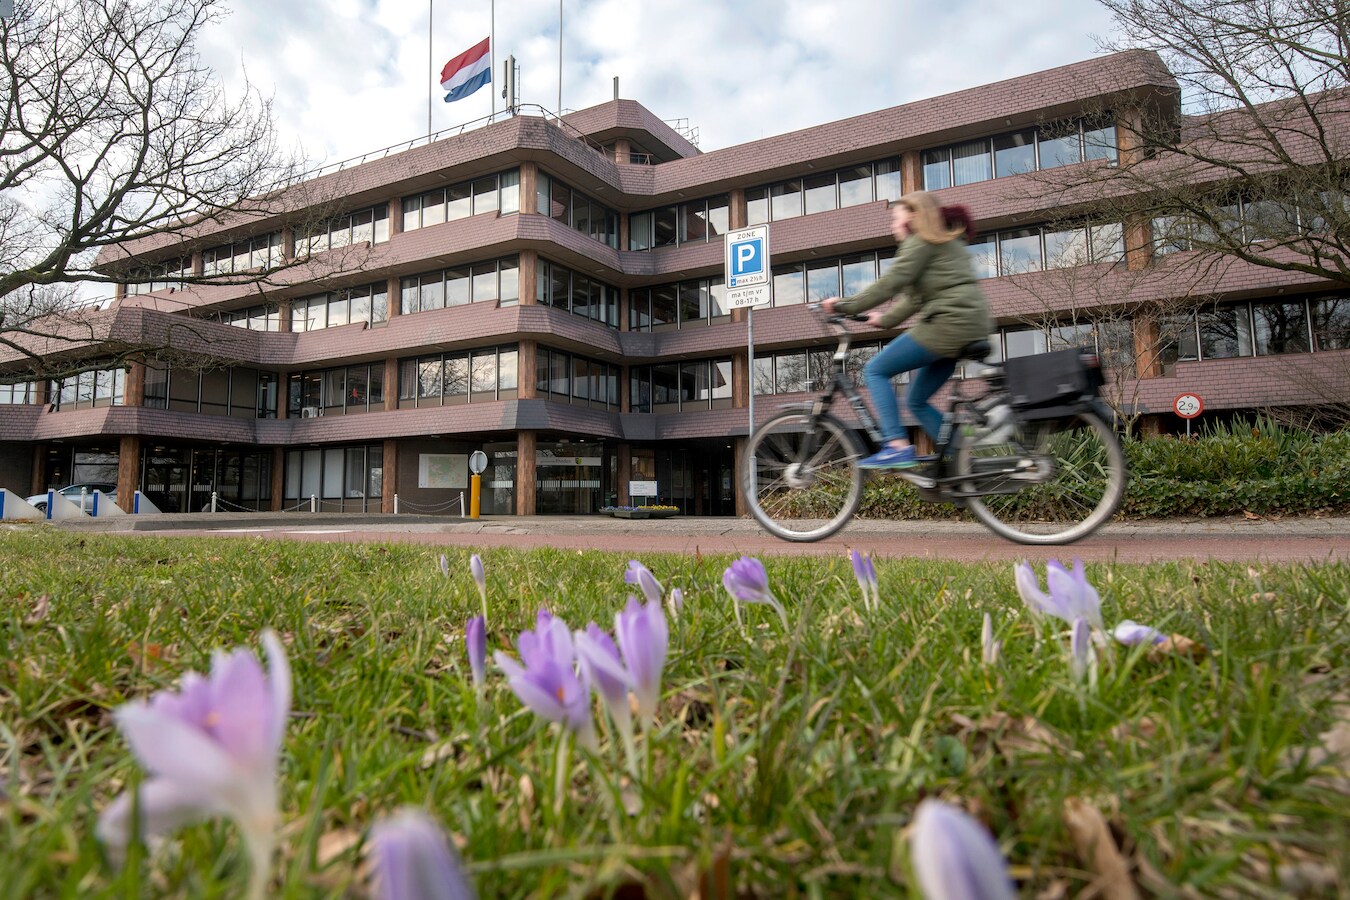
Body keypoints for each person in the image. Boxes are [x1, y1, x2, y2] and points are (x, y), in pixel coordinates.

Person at [822, 191, 992, 468]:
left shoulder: (920, 241)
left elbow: (890, 283)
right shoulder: (944, 243)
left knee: (875, 370)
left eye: (896, 217)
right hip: (970, 324)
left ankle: (896, 445)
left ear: (913, 216)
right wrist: (886, 319)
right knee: (915, 400)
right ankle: (963, 466)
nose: (892, 225)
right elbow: (915, 298)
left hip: (948, 323)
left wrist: (843, 305)